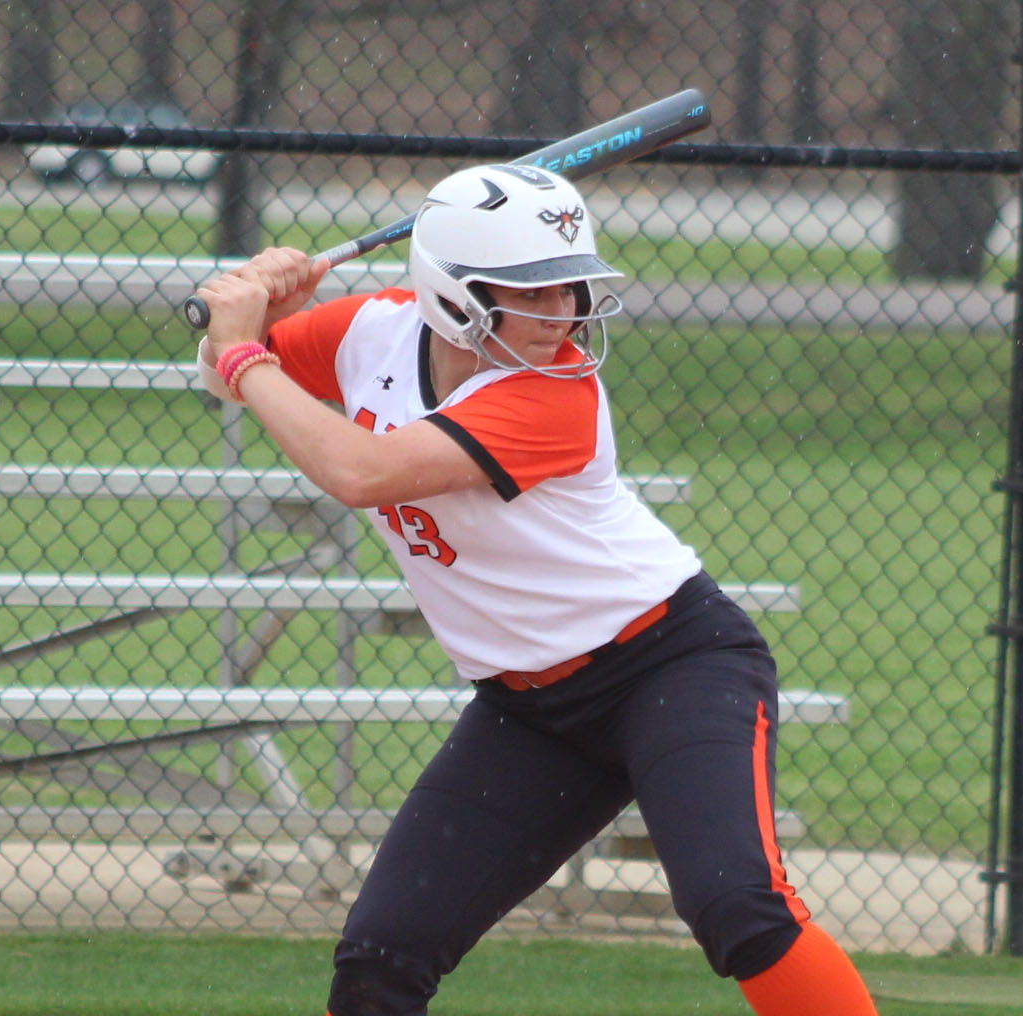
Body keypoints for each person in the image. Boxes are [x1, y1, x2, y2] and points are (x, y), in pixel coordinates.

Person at [192, 163, 878, 1016]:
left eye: (571, 288)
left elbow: (357, 472)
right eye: (533, 291)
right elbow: (225, 372)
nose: (564, 314)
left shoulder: (557, 391)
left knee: (737, 907)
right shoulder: (370, 331)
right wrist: (254, 310)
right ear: (451, 294)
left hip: (671, 667)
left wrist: (247, 342)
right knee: (383, 954)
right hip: (528, 712)